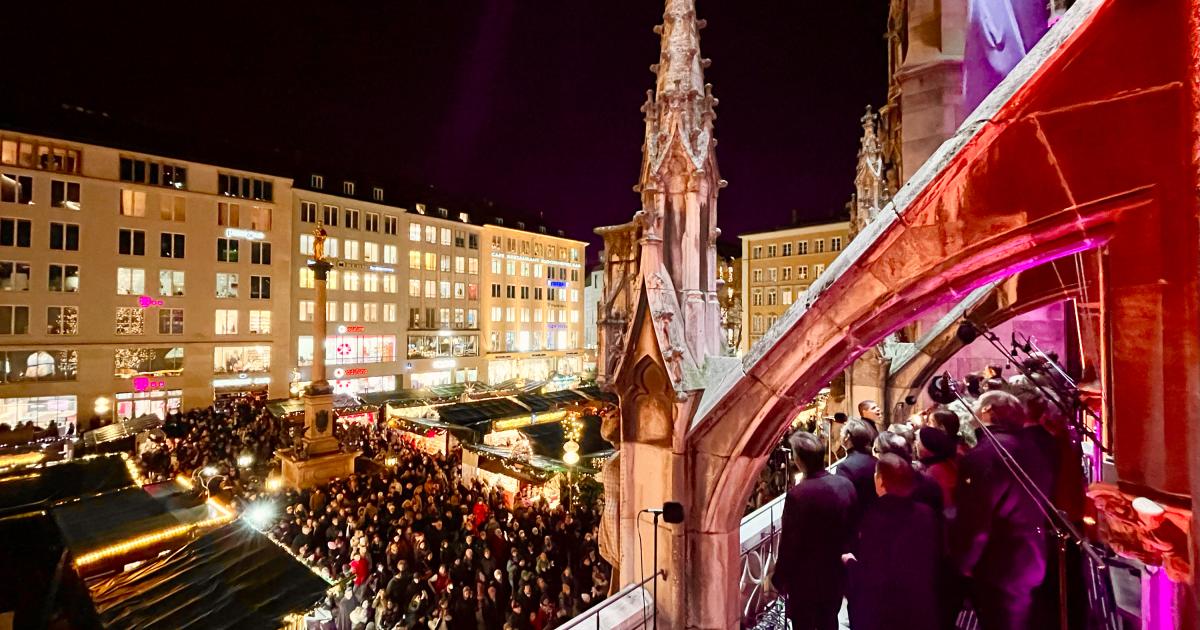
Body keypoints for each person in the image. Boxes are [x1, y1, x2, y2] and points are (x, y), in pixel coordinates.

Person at [951, 390, 1050, 630]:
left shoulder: (985, 455)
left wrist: (963, 562)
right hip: (1031, 556)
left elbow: (976, 522)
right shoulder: (1031, 449)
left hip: (999, 564)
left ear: (987, 411)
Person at [773, 432, 858, 630]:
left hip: (805, 578)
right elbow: (853, 528)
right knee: (829, 620)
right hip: (835, 572)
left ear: (799, 460)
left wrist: (780, 577)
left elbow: (790, 542)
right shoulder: (845, 485)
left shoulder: (799, 494)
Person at [845, 454, 940, 630]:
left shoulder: (874, 520)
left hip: (887, 615)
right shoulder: (926, 513)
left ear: (880, 481)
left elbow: (872, 577)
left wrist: (850, 563)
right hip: (921, 608)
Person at [834, 419, 878, 517]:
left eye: (842, 433)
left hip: (859, 521)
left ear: (847, 437)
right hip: (877, 517)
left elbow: (844, 501)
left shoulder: (844, 467)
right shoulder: (876, 461)